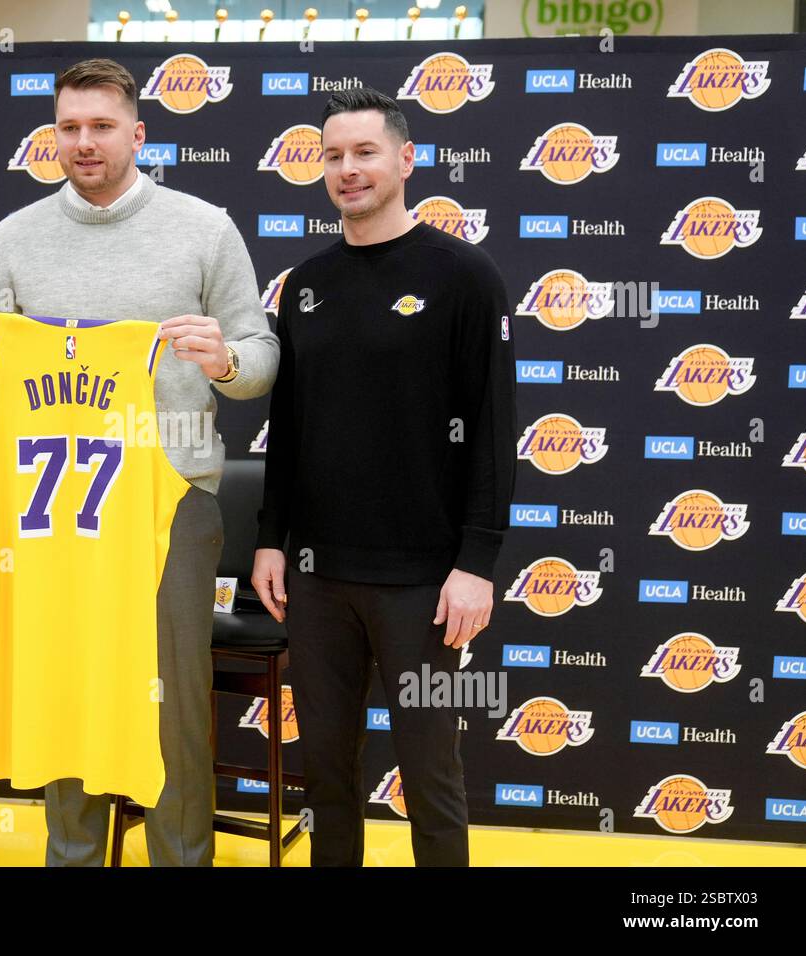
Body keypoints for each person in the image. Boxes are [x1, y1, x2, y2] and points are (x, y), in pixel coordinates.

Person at [0, 58, 279, 867]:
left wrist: (225, 361)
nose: (84, 143)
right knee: (68, 695)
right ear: (51, 135)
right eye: (69, 128)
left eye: (101, 127)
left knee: (168, 713)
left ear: (138, 132)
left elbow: (263, 357)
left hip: (172, 504)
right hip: (56, 510)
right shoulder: (16, 238)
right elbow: (3, 392)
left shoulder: (204, 227)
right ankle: (73, 858)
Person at [251, 87, 517, 867]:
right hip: (318, 579)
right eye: (331, 156)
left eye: (364, 152)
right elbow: (289, 428)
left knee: (432, 779)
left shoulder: (465, 274)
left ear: (406, 159)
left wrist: (476, 563)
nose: (347, 170)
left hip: (423, 583)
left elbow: (496, 433)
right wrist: (271, 540)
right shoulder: (305, 283)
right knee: (327, 778)